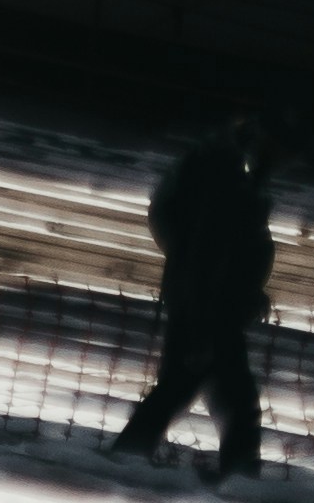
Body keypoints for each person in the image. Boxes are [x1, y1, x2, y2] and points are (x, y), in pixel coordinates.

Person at [118, 115, 274, 473]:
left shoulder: (229, 178)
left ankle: (125, 460)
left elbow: (216, 252)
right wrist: (210, 316)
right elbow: (211, 256)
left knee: (184, 389)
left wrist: (247, 292)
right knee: (229, 400)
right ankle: (239, 482)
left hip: (205, 303)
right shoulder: (227, 187)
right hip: (210, 307)